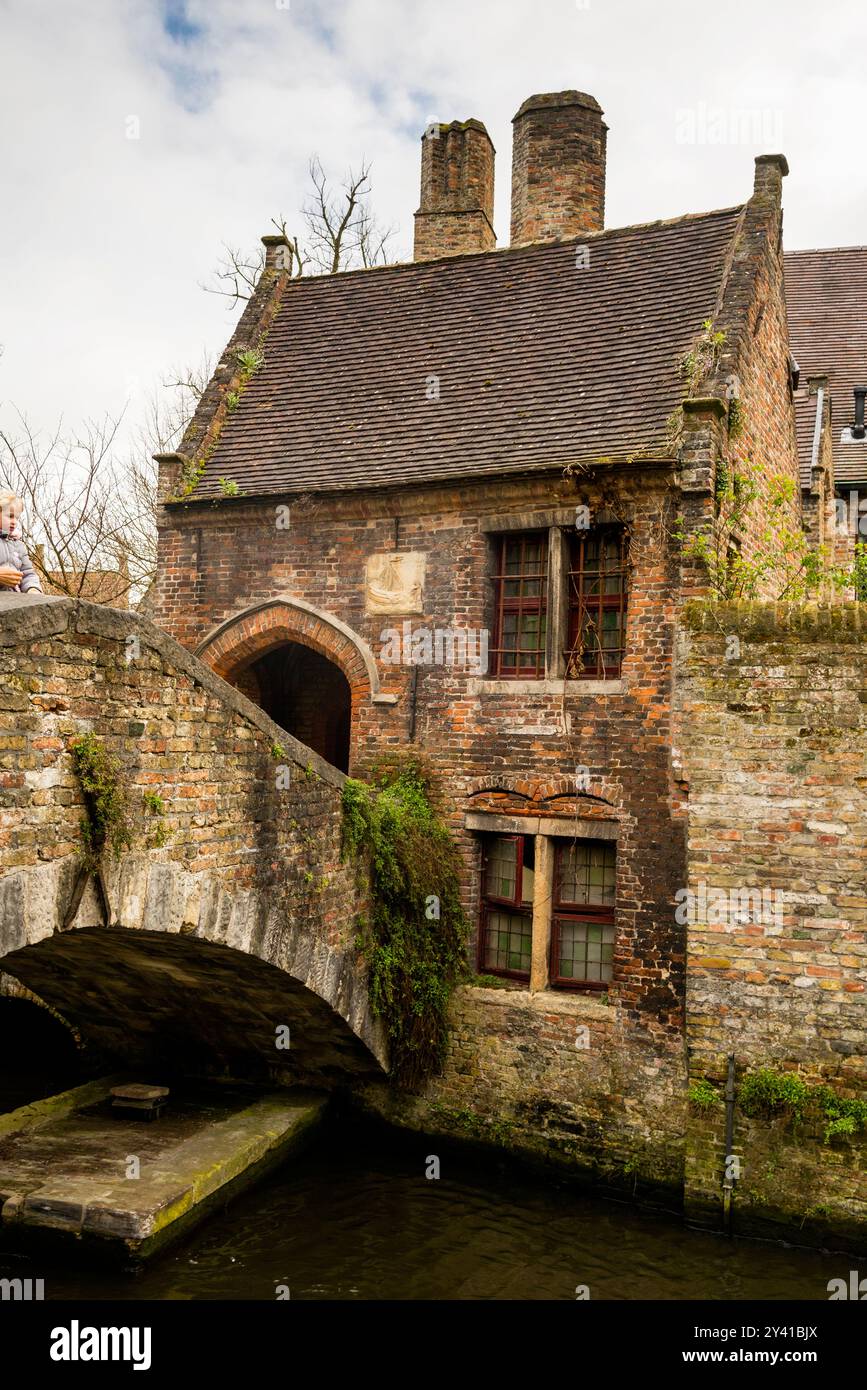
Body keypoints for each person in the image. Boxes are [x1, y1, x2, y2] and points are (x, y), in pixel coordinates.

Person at [0, 491, 42, 594]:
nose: (14, 521)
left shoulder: (18, 545)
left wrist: (33, 588)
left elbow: (28, 573)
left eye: (17, 518)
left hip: (15, 602)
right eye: (10, 516)